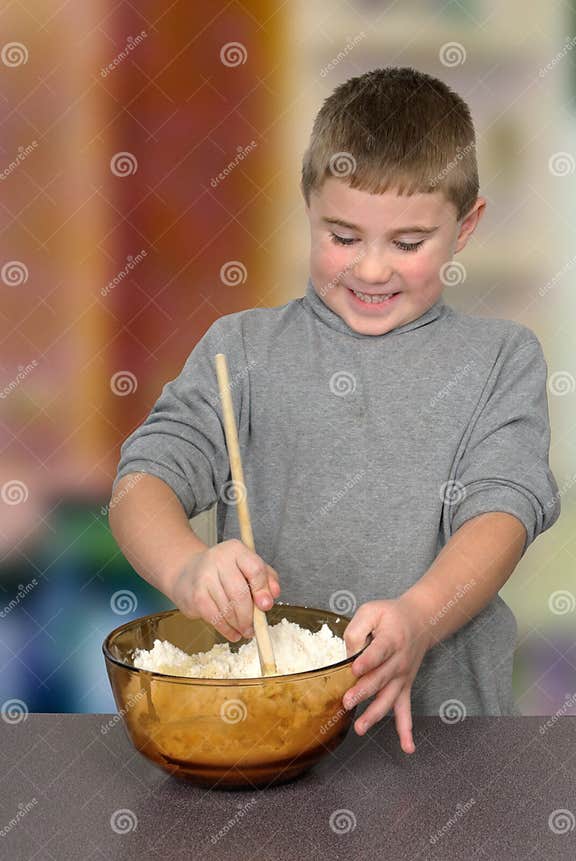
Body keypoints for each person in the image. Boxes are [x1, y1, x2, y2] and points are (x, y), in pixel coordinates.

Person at [109, 66, 561, 755]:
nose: (372, 269)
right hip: (265, 740)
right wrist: (187, 568)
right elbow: (141, 483)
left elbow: (503, 513)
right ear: (308, 207)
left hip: (450, 744)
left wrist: (418, 615)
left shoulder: (502, 358)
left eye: (408, 243)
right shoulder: (242, 350)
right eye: (343, 236)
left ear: (467, 226)